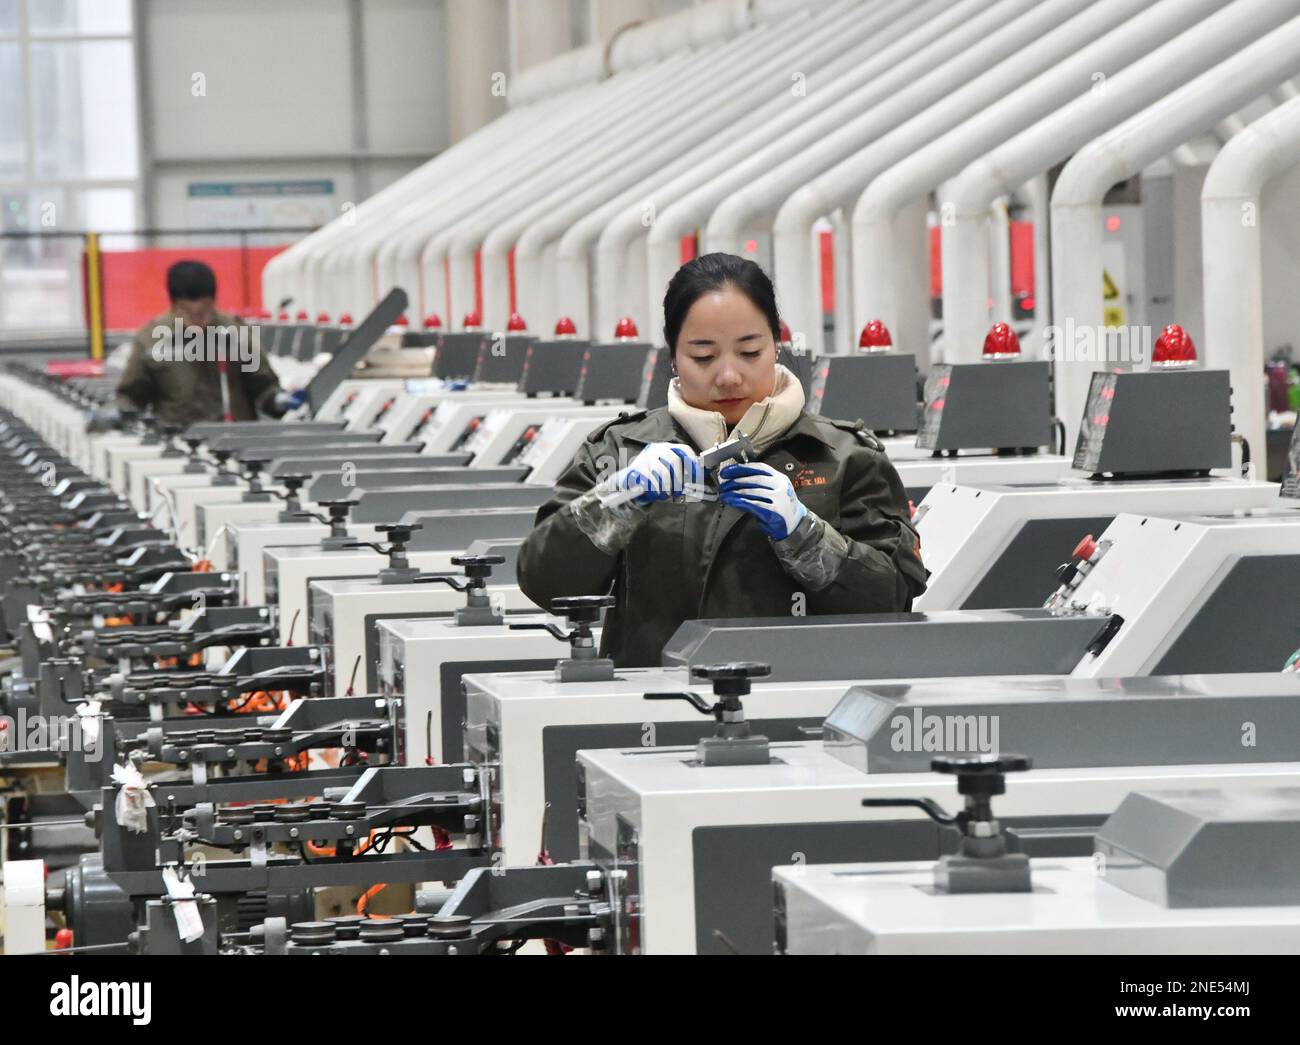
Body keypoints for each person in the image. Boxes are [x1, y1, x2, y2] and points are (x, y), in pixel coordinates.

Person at [518, 252, 927, 667]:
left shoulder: (842, 456)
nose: (729, 376)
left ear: (776, 347)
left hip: (803, 707)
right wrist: (615, 501)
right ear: (673, 357)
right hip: (657, 709)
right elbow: (545, 583)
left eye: (750, 352)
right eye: (704, 356)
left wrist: (805, 536)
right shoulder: (619, 451)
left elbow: (894, 602)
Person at [94, 260, 303, 429]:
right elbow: (132, 395)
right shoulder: (151, 340)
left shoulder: (236, 333)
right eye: (188, 313)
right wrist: (117, 411)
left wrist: (279, 400)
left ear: (214, 302)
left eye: (204, 312)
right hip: (178, 447)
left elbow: (263, 386)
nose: (198, 320)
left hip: (238, 444)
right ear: (174, 306)